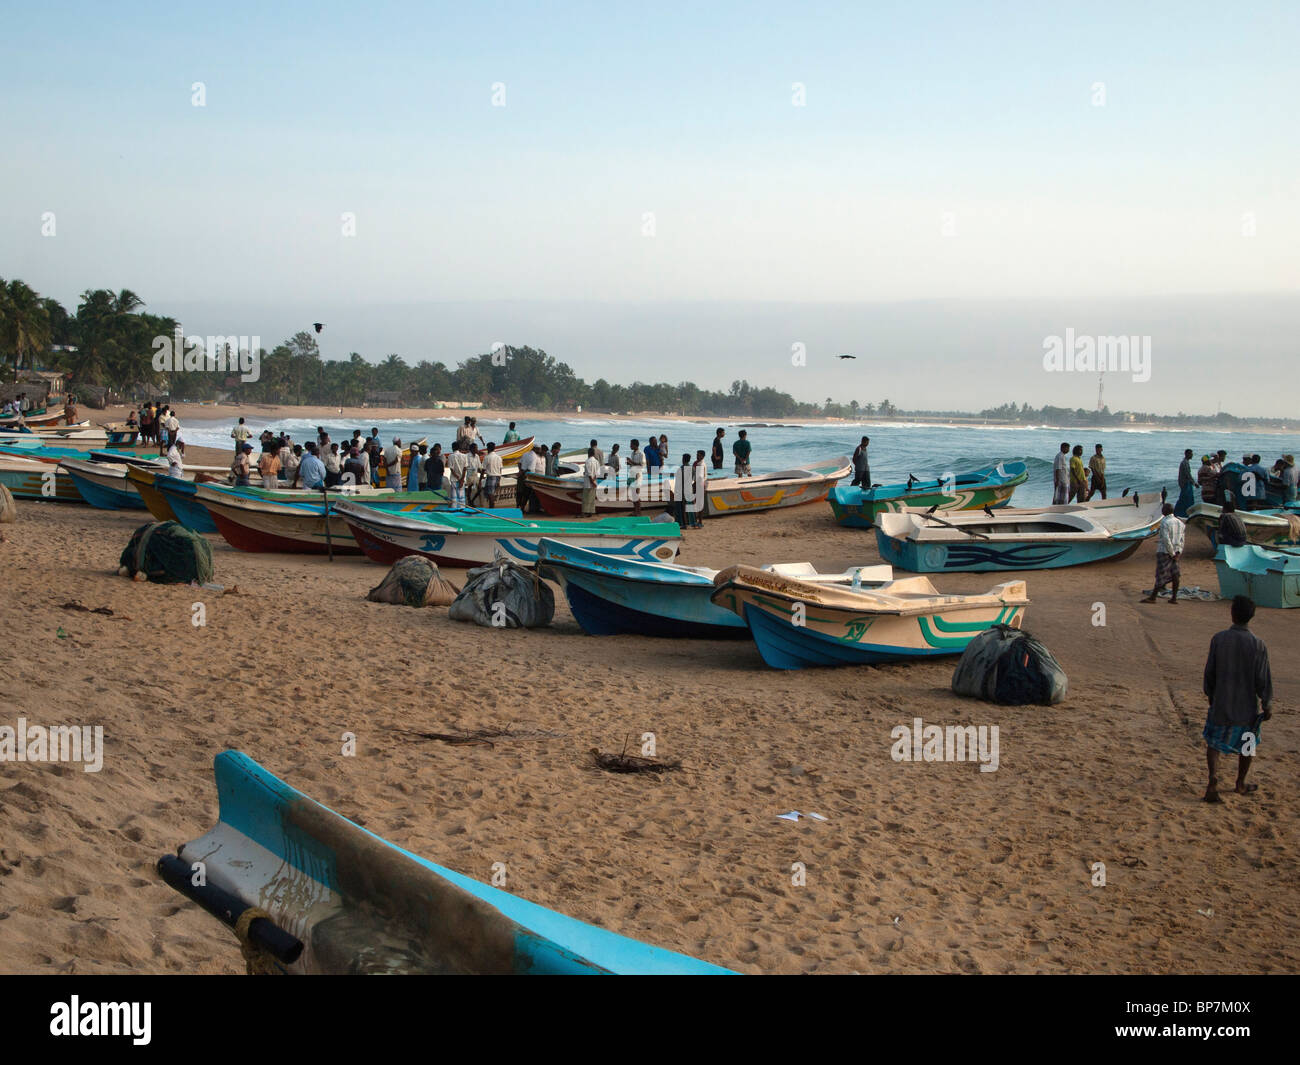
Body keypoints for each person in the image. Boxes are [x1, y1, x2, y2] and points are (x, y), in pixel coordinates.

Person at [1201, 595, 1273, 803]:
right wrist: (1267, 703)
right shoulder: (1258, 645)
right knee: (1248, 744)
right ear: (1251, 617)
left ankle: (1213, 778)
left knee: (1214, 742)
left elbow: (1210, 672)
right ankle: (1240, 783)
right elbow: (1263, 679)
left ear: (1232, 614)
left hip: (1221, 701)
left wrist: (1210, 694)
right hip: (1246, 707)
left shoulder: (1219, 639)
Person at [1142, 503, 1185, 604]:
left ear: (1165, 511)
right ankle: (1174, 598)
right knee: (1175, 574)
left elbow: (1166, 540)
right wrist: (1178, 553)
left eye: (1163, 509)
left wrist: (1171, 553)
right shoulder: (1180, 523)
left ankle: (1153, 597)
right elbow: (1182, 540)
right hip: (1176, 552)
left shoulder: (1165, 522)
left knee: (1161, 574)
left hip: (1164, 551)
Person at [1175, 449, 1196, 517]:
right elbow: (1188, 474)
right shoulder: (1184, 463)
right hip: (1185, 484)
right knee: (1185, 499)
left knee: (1186, 499)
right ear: (1187, 454)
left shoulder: (1185, 462)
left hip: (1185, 483)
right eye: (1191, 454)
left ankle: (1184, 513)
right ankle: (1181, 513)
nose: (1192, 455)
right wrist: (1194, 483)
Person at [447, 441, 469, 507]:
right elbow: (465, 468)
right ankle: (462, 508)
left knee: (454, 496)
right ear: (459, 448)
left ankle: (454, 508)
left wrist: (458, 478)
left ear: (452, 448)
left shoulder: (450, 456)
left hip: (454, 478)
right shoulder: (464, 456)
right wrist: (461, 479)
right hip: (462, 479)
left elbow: (451, 469)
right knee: (461, 495)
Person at [627, 438, 644, 516]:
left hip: (638, 475)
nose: (630, 446)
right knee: (633, 494)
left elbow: (642, 465)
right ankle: (635, 511)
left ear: (635, 445)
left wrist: (631, 462)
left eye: (631, 444)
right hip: (632, 474)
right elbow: (634, 464)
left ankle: (639, 512)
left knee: (636, 494)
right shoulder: (632, 453)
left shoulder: (641, 454)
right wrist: (629, 463)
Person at [581, 447, 601, 517]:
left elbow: (589, 474)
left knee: (585, 499)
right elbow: (598, 473)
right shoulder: (596, 461)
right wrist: (594, 481)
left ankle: (584, 513)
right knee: (592, 499)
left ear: (588, 453)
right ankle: (591, 512)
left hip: (588, 483)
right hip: (594, 482)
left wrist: (592, 482)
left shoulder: (587, 461)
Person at [483, 441, 503, 508]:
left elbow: (483, 469)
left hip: (491, 477)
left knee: (490, 494)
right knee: (491, 493)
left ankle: (492, 508)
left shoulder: (487, 457)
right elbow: (500, 469)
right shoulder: (499, 457)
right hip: (497, 477)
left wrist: (480, 479)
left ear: (488, 448)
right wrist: (499, 480)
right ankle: (491, 507)